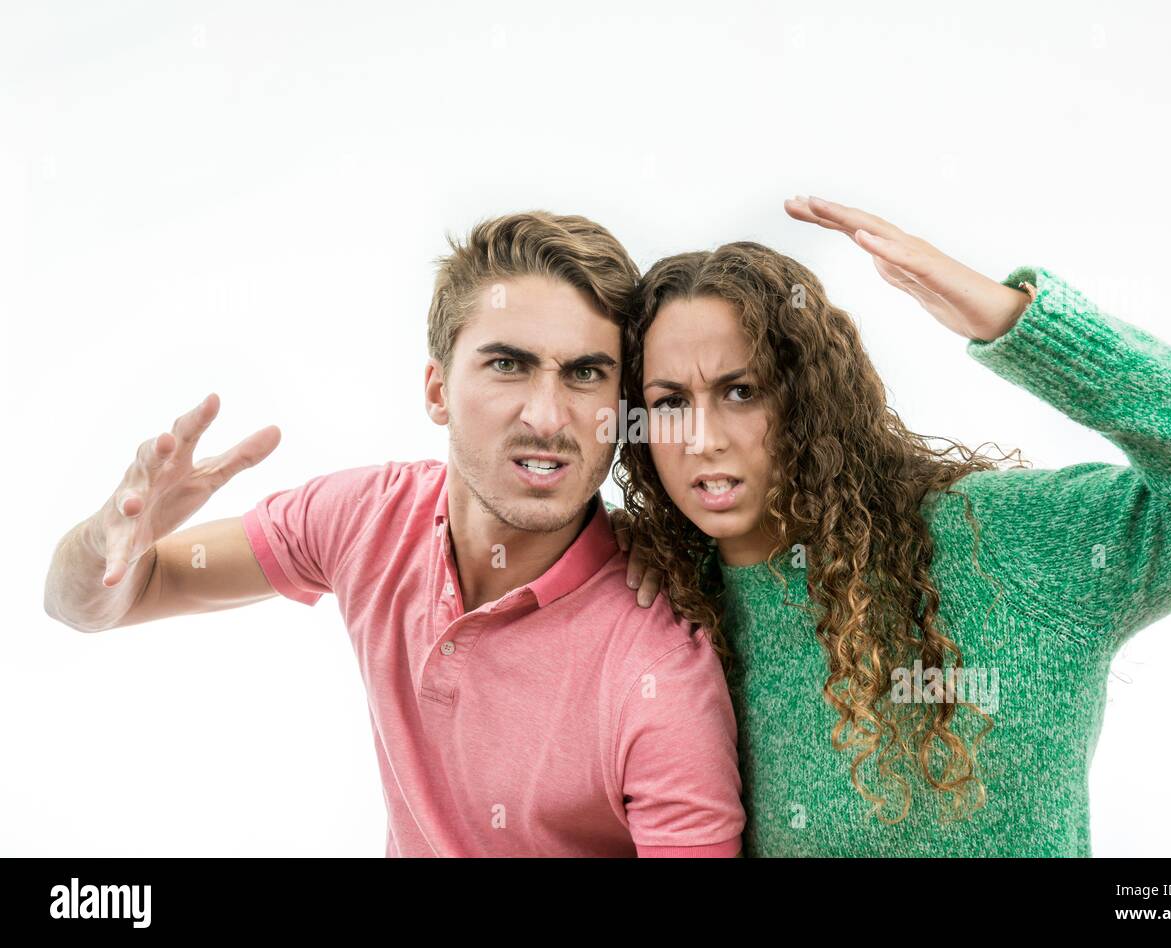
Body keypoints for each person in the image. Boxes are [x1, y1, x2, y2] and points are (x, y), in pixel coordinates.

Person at [42, 211, 745, 858]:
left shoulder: (661, 671)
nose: (548, 416)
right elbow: (93, 603)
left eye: (586, 374)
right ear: (436, 390)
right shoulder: (367, 517)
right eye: (508, 364)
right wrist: (107, 542)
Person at [614, 195, 1171, 856]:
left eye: (742, 391)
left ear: (810, 398)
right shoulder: (660, 603)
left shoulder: (1005, 543)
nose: (701, 437)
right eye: (670, 402)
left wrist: (1018, 325)